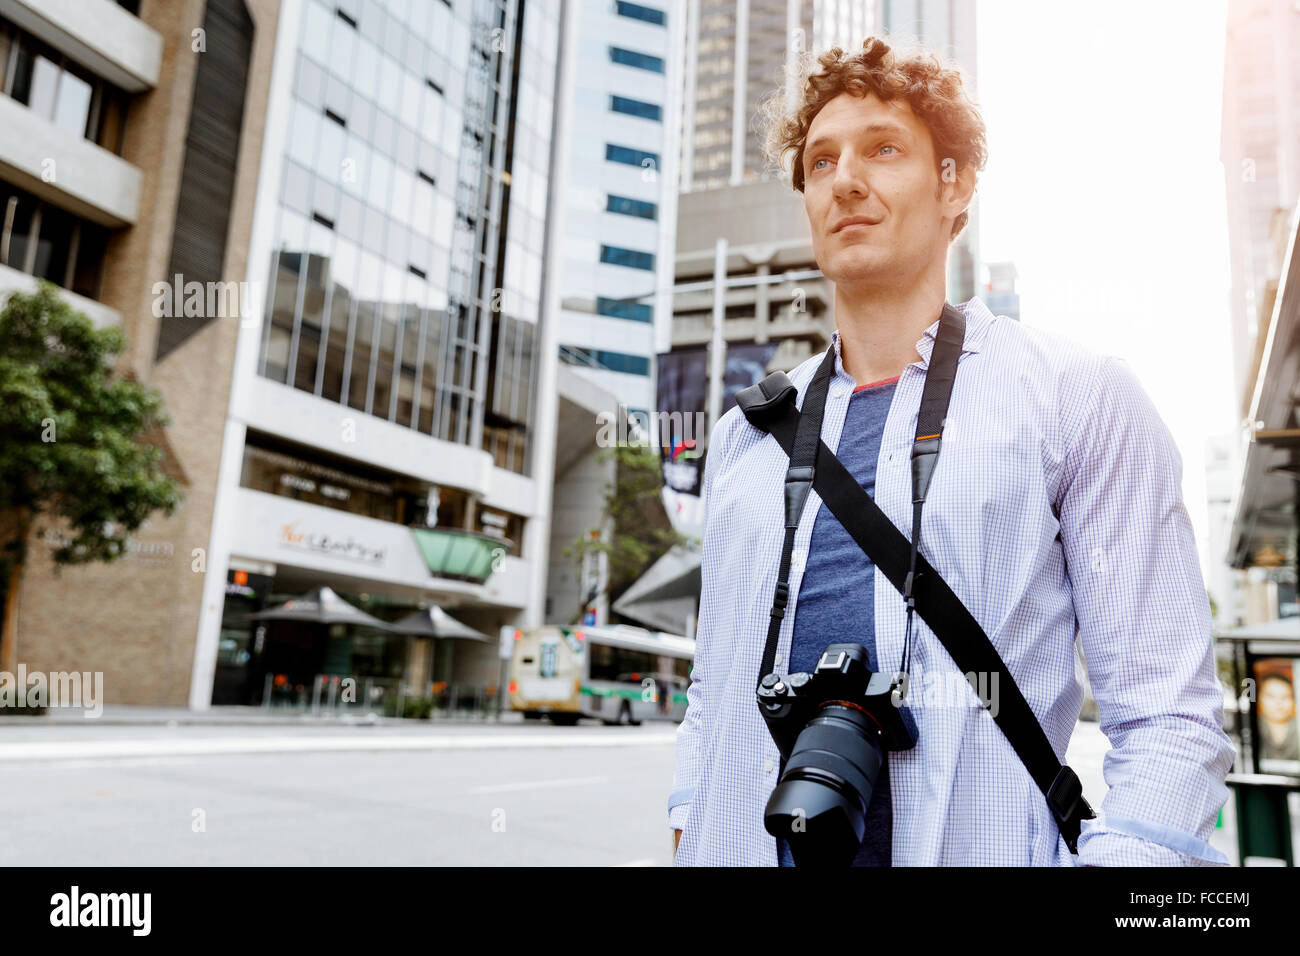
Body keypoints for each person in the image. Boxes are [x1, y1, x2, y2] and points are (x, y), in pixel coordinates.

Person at [668, 36, 1234, 866]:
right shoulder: (743, 438)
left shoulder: (1077, 396)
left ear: (954, 184)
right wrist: (687, 830)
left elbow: (1168, 719)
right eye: (820, 162)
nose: (845, 181)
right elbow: (713, 695)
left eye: (883, 150)